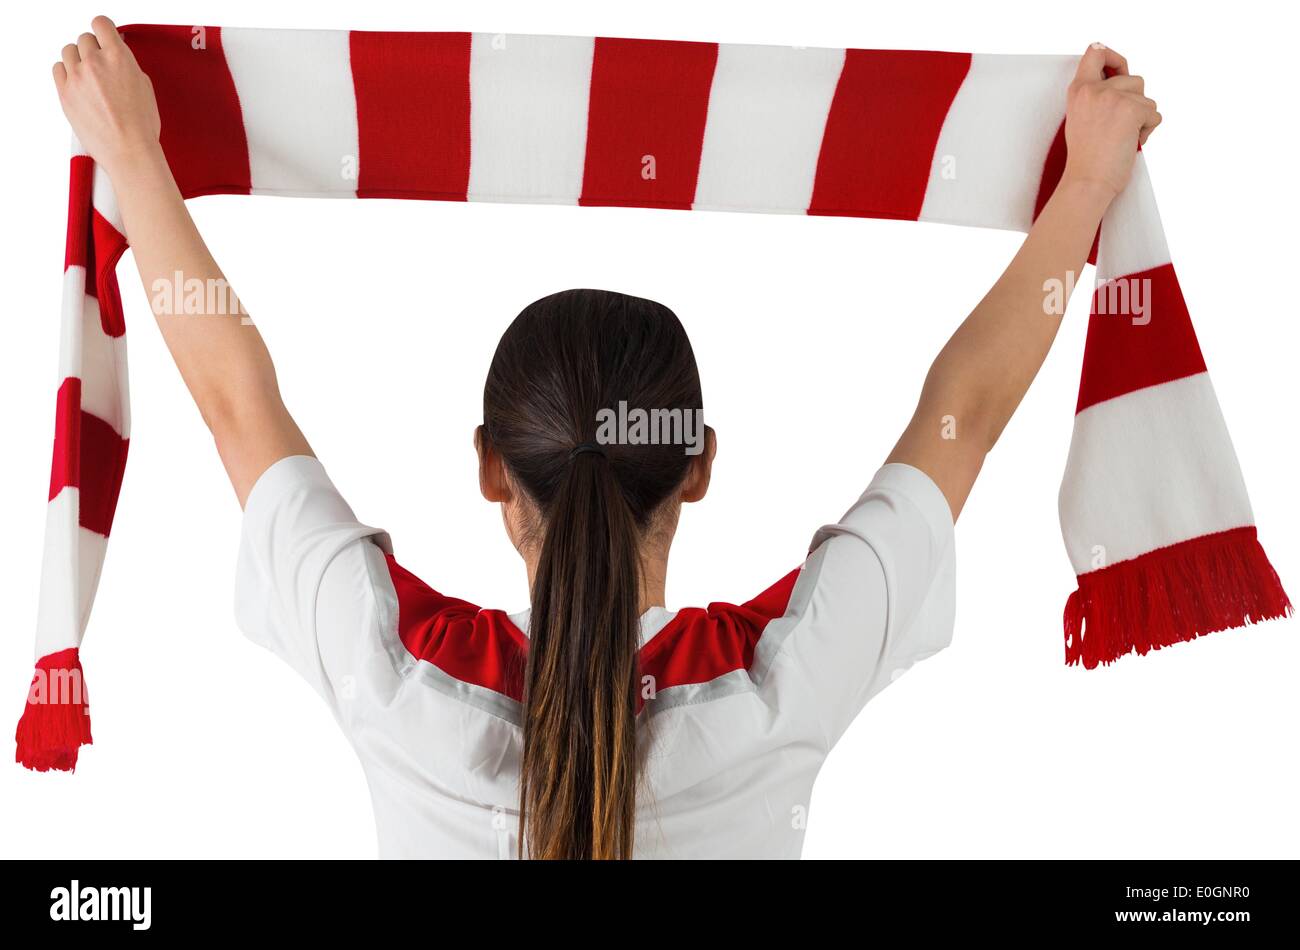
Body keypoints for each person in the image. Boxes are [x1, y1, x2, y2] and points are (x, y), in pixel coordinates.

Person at [53, 18, 1160, 858]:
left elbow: (238, 403)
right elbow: (960, 409)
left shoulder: (396, 676)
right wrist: (1091, 183)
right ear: (701, 461)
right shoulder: (780, 681)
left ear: (490, 466)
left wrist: (137, 158)